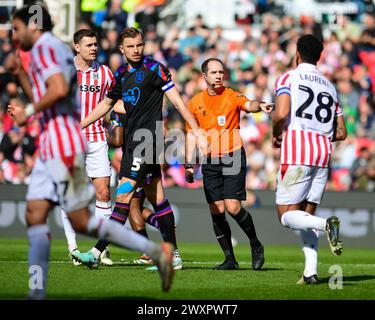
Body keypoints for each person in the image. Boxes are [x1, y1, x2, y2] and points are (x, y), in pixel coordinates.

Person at [8, 6, 174, 299]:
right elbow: (50, 95)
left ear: (32, 27)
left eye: (17, 27)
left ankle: (155, 251)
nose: (13, 33)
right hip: (52, 143)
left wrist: (30, 110)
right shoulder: (47, 53)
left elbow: (57, 91)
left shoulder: (47, 48)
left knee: (81, 219)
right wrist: (20, 74)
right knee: (36, 215)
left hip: (63, 145)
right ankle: (36, 292)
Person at [72, 27, 206, 271]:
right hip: (132, 143)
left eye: (140, 45)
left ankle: (95, 252)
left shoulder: (155, 69)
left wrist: (195, 128)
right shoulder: (121, 74)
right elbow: (106, 104)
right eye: (131, 46)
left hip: (147, 141)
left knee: (123, 196)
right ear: (121, 49)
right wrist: (81, 124)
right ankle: (173, 255)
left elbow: (177, 100)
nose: (137, 50)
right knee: (158, 198)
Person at [272, 34, 347, 284]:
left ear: (297, 54)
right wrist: (320, 134)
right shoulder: (329, 86)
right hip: (323, 153)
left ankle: (327, 224)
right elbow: (342, 132)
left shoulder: (288, 77)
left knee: (285, 215)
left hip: (297, 151)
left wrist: (276, 135)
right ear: (320, 56)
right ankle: (310, 273)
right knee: (306, 214)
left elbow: (281, 113)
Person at [185, 58, 273, 270]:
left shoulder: (231, 95)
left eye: (221, 72)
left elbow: (248, 104)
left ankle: (255, 244)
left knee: (233, 207)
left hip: (232, 155)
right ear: (204, 76)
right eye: (214, 72)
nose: (218, 76)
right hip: (209, 161)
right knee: (216, 209)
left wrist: (260, 105)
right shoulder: (195, 102)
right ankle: (230, 259)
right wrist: (189, 164)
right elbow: (191, 134)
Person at [60, 29, 114, 266]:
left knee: (103, 193)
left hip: (96, 137)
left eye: (95, 44)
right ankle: (72, 247)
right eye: (89, 44)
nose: (94, 48)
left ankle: (100, 248)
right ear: (76, 47)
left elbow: (113, 101)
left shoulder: (104, 72)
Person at [108, 109, 161, 265]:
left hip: (134, 160)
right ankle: (163, 223)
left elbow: (117, 141)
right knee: (137, 204)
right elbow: (163, 131)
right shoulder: (142, 104)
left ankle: (149, 250)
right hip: (149, 153)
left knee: (131, 205)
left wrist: (104, 137)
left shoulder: (117, 110)